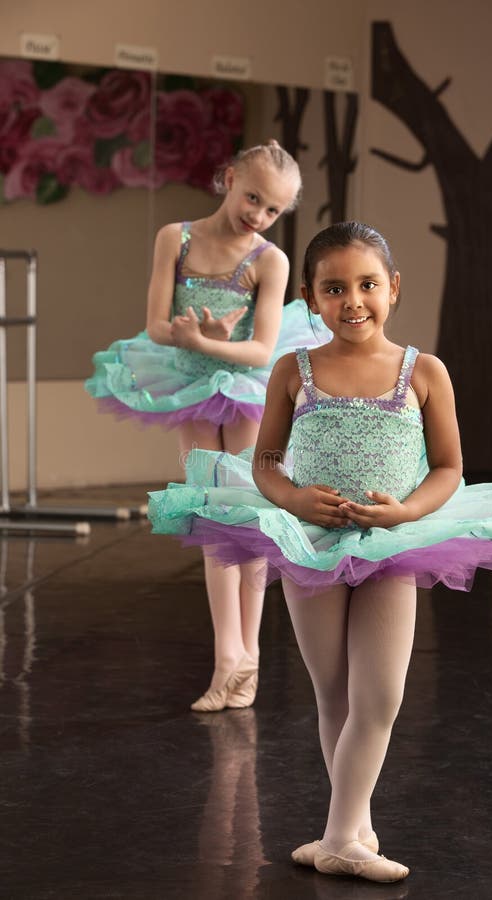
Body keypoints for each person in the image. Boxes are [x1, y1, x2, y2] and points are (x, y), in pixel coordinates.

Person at [148, 221, 492, 883]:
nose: (353, 300)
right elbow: (267, 462)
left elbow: (448, 468)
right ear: (310, 298)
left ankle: (338, 835)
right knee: (333, 692)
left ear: (392, 288)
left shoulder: (422, 370)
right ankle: (352, 826)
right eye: (334, 288)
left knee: (380, 697)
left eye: (366, 284)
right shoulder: (293, 368)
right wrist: (295, 501)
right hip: (311, 542)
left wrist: (405, 512)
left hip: (394, 542)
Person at [87, 140, 328, 713]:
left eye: (273, 210)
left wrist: (217, 341)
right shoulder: (177, 238)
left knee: (247, 517)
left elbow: (264, 348)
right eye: (253, 198)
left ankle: (245, 662)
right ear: (227, 178)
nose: (258, 215)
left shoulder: (269, 260)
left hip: (246, 391)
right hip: (192, 386)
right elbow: (153, 324)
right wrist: (195, 340)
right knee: (208, 514)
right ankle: (230, 656)